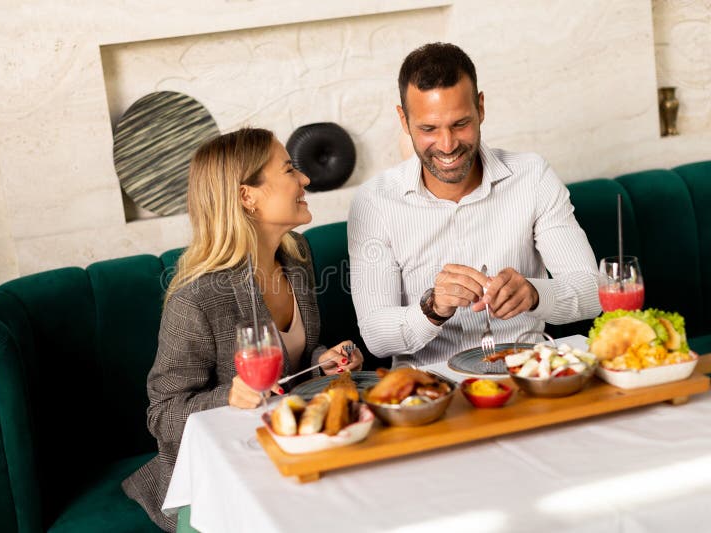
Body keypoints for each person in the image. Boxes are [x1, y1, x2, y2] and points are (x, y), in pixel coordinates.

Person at [123, 127, 363, 531]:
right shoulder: (196, 298)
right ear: (247, 196)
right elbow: (161, 414)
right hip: (222, 477)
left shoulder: (297, 254)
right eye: (289, 170)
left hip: (290, 447)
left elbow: (293, 359)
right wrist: (227, 397)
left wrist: (322, 360)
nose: (305, 179)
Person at [348, 42, 601, 367]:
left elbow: (593, 291)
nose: (447, 145)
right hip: (431, 392)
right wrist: (433, 307)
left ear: (480, 108)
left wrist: (535, 294)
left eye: (460, 124)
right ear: (403, 119)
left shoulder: (532, 175)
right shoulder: (374, 202)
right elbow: (375, 336)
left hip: (526, 374)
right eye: (428, 129)